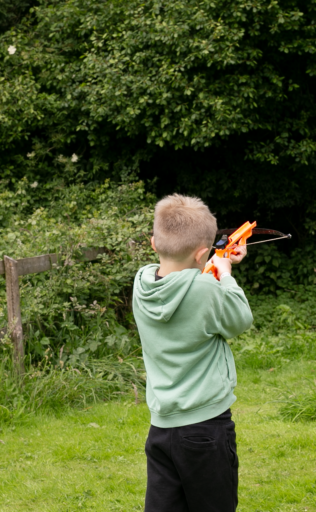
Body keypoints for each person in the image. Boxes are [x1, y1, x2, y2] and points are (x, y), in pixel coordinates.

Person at [133, 194, 252, 512]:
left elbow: (180, 283)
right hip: (206, 428)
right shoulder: (207, 289)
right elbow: (240, 318)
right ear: (202, 253)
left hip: (161, 429)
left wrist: (211, 264)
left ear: (154, 243)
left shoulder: (142, 284)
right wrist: (226, 273)